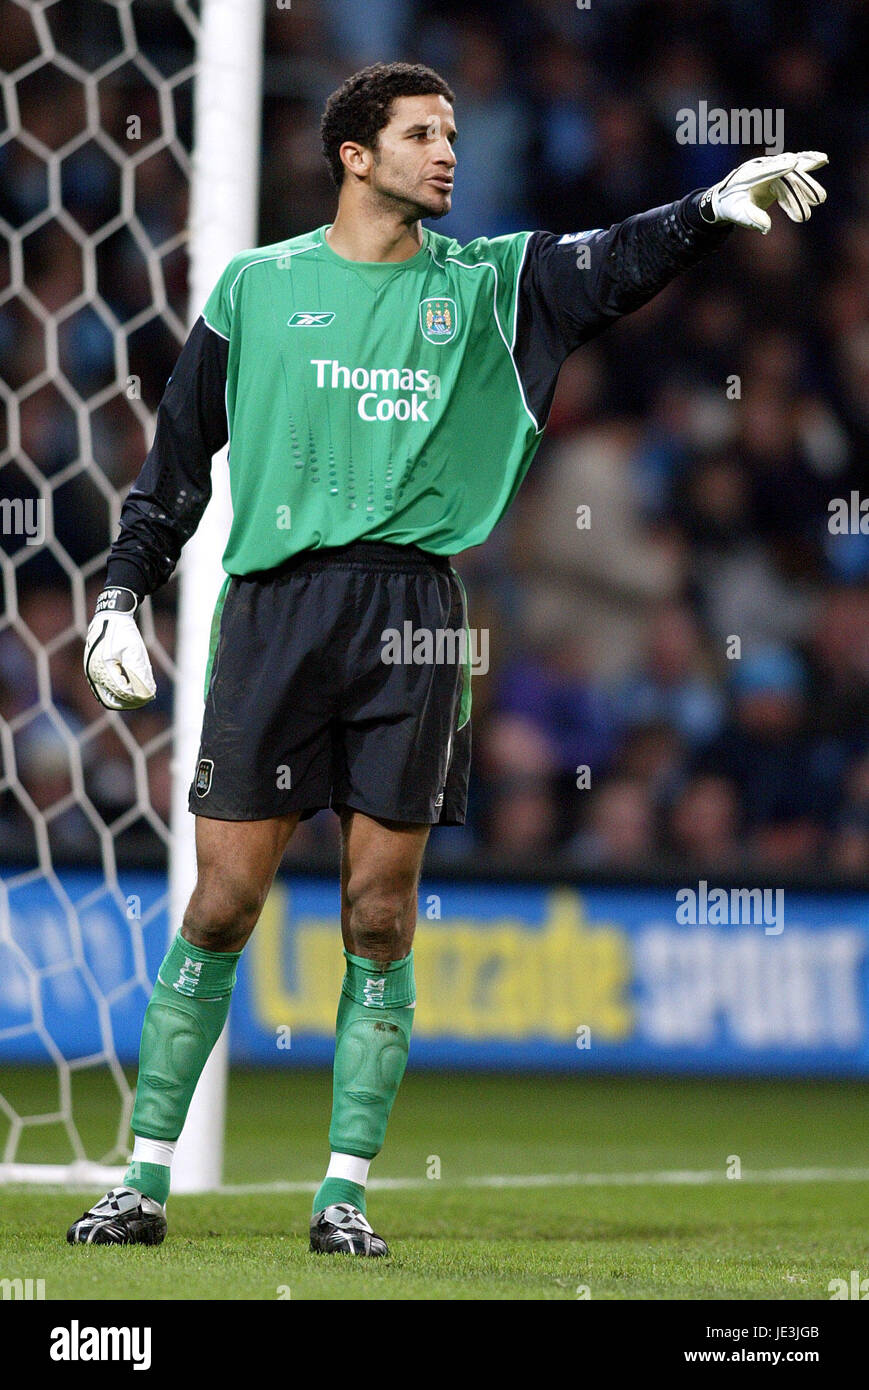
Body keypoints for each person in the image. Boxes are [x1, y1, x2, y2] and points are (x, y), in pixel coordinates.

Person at [70, 60, 828, 1255]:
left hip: (413, 617)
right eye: (420, 132)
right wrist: (120, 595)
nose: (446, 152)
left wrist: (703, 210)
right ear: (352, 156)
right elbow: (174, 470)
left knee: (380, 912)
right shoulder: (257, 290)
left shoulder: (486, 285)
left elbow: (609, 258)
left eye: (453, 132)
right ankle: (142, 1180)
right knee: (219, 902)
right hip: (272, 608)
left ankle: (342, 1197)